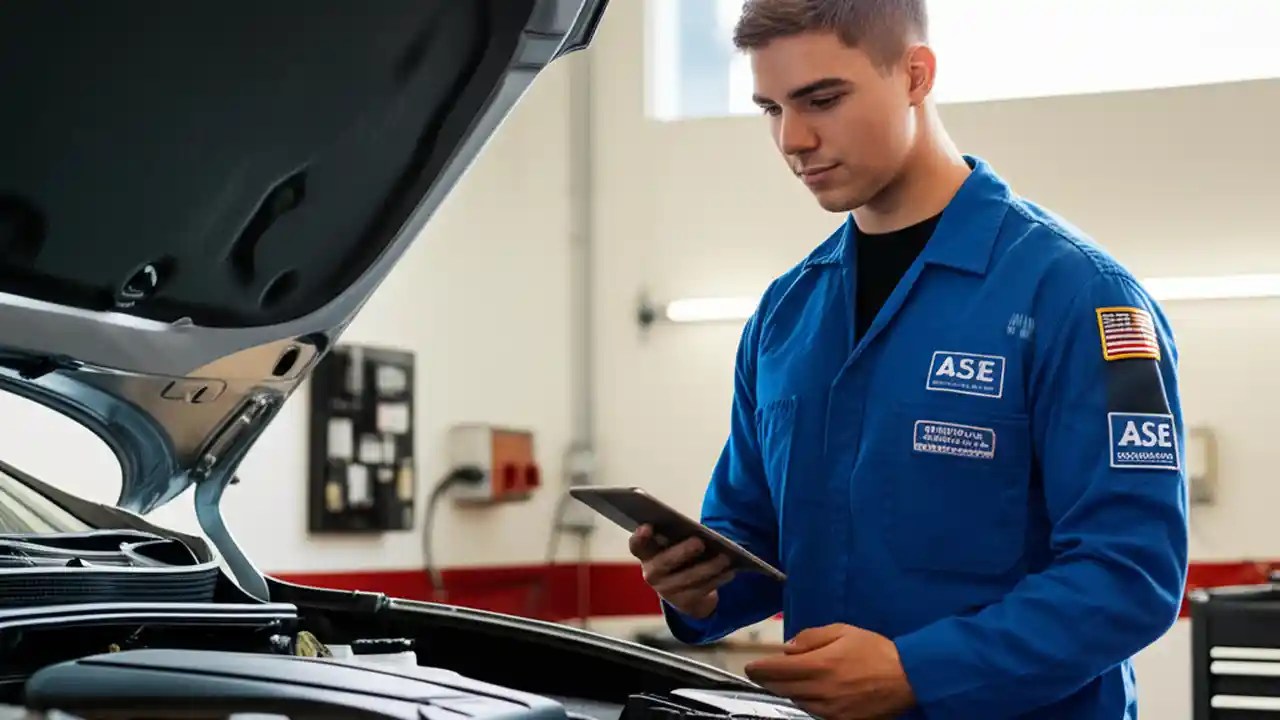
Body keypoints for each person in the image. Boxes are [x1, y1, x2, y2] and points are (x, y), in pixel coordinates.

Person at [628, 1, 1189, 718]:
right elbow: (754, 535)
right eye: (770, 108)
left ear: (916, 75)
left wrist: (916, 671)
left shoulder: (1085, 298)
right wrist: (701, 589)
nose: (793, 139)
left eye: (822, 99)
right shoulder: (784, 315)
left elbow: (1129, 576)